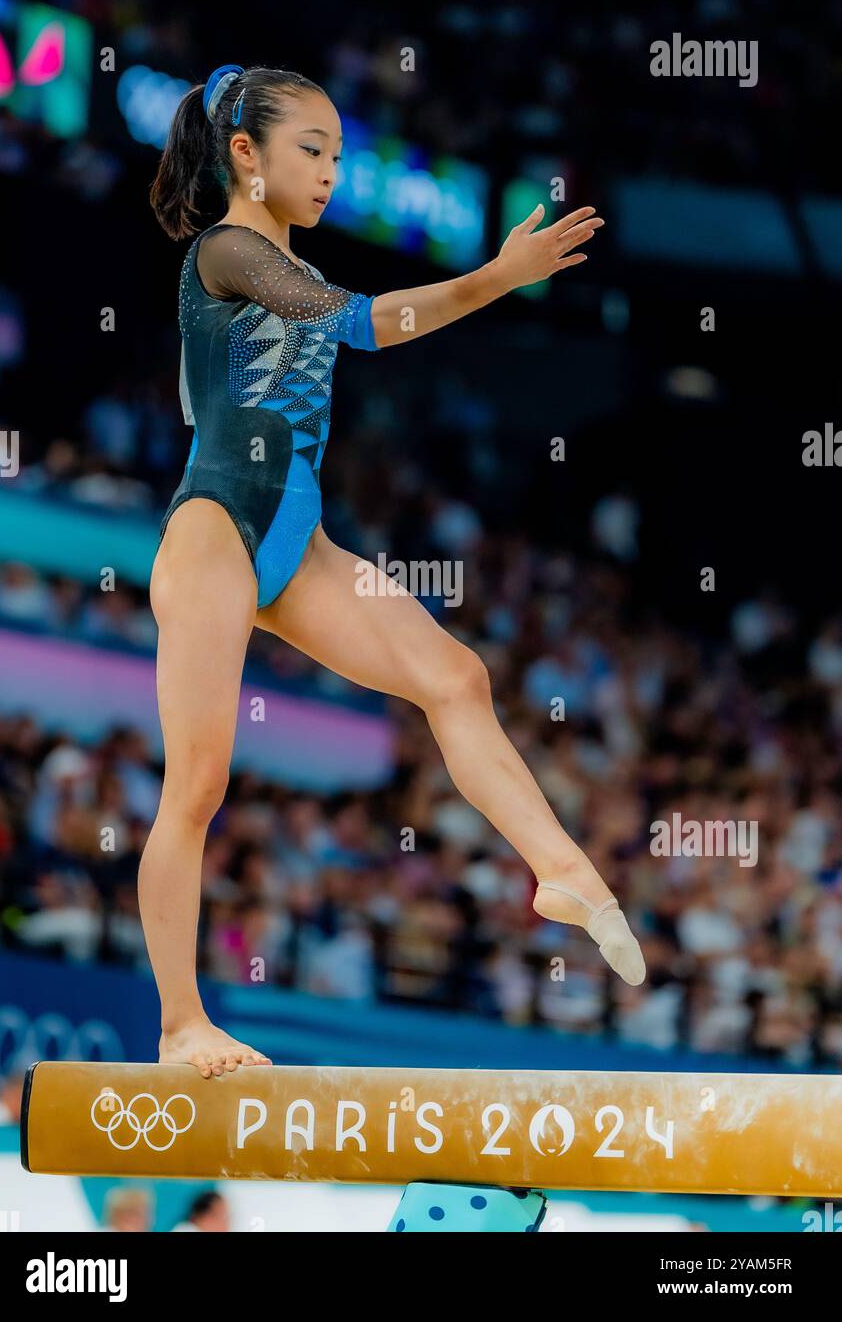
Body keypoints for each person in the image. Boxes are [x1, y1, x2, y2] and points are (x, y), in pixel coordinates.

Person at [144, 62, 645, 1079]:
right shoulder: (230, 251)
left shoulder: (275, 259)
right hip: (216, 535)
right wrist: (499, 277)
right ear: (246, 155)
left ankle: (555, 870)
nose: (331, 172)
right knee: (195, 784)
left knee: (455, 677)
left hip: (299, 538)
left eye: (338, 154)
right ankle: (180, 1022)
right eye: (311, 152)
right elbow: (367, 323)